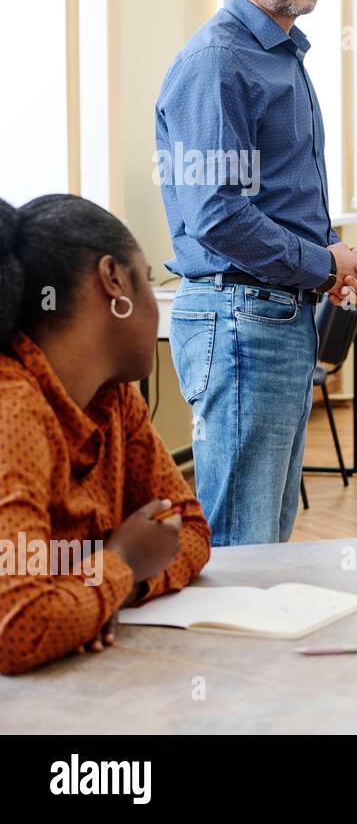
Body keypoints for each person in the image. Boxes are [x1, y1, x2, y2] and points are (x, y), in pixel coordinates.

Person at [156, 0, 357, 545]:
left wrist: (325, 258)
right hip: (242, 319)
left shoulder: (280, 52)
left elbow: (279, 196)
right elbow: (217, 215)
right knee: (242, 545)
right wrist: (321, 262)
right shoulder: (220, 59)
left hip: (275, 315)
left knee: (267, 538)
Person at [0, 196, 210, 674]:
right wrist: (123, 564)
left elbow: (190, 529)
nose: (157, 304)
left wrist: (106, 594)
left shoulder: (113, 398)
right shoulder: (12, 407)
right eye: (149, 277)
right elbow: (18, 630)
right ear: (113, 280)